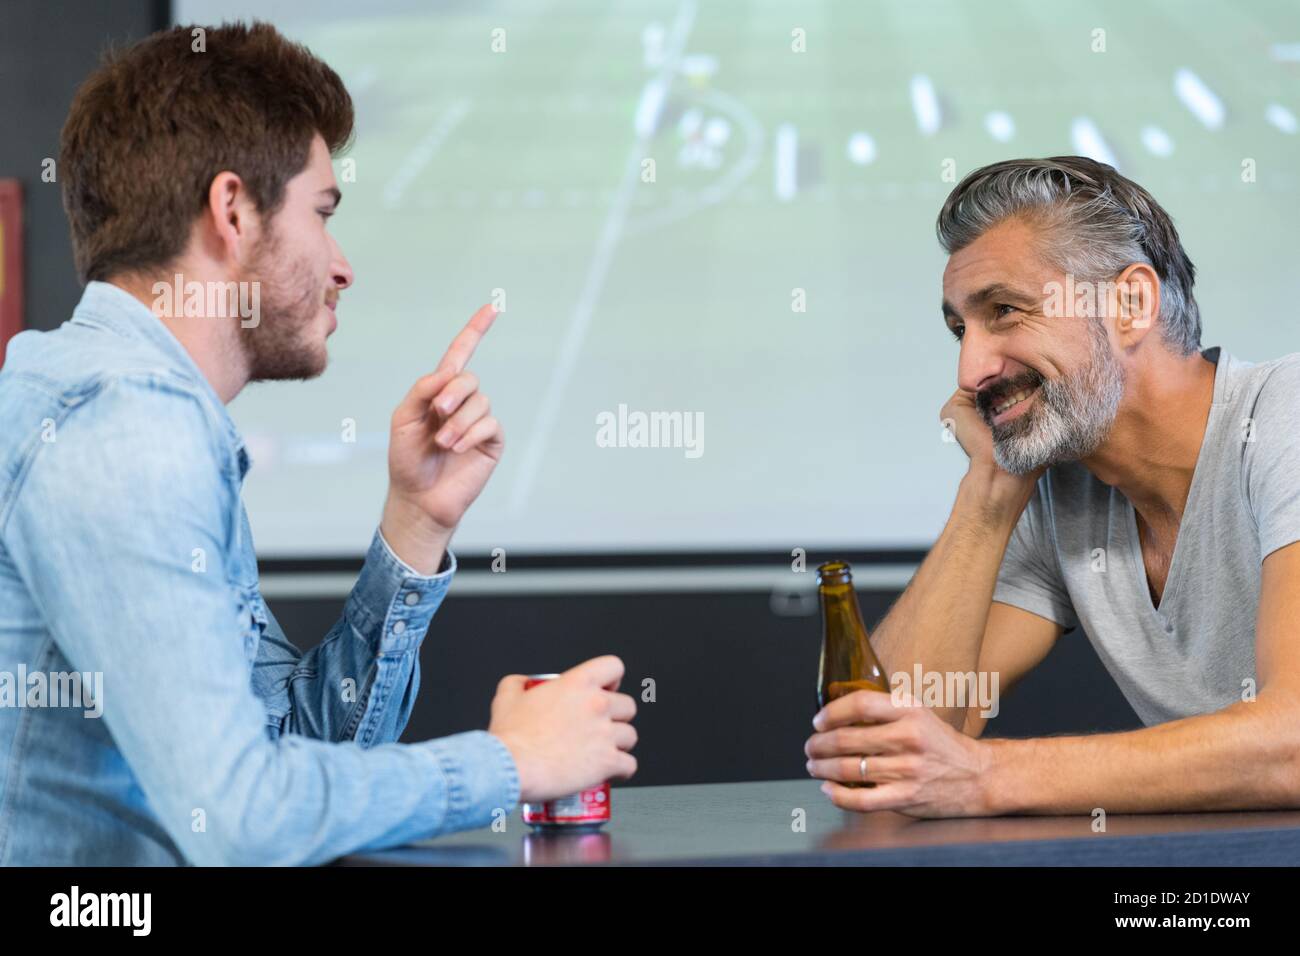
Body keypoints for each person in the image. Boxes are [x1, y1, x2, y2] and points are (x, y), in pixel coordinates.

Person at [0, 22, 636, 866]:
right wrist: (509, 761)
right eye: (323, 214)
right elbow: (243, 821)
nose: (341, 266)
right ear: (232, 210)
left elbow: (296, 755)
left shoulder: (131, 404)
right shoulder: (127, 426)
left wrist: (413, 524)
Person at [806, 156, 1300, 817]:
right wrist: (989, 490)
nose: (971, 369)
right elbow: (882, 753)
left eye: (1004, 311)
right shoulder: (1062, 489)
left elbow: (1292, 741)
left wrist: (986, 776)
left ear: (1130, 305)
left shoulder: (1284, 416)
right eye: (960, 328)